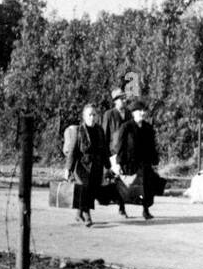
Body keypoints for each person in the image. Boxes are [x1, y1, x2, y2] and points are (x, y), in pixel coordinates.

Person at [66, 103, 108, 226]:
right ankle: (87, 215)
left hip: (96, 166)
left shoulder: (100, 130)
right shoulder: (78, 131)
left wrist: (109, 166)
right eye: (89, 115)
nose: (92, 117)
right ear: (84, 117)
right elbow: (73, 151)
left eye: (94, 115)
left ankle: (79, 213)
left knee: (92, 189)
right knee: (85, 188)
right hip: (81, 166)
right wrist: (68, 169)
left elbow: (104, 149)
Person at [117, 99, 160, 220]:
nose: (142, 113)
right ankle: (121, 207)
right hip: (129, 162)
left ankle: (146, 210)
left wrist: (155, 160)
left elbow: (152, 146)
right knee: (126, 186)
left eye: (143, 110)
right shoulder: (126, 127)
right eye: (139, 110)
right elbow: (120, 146)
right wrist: (119, 163)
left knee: (146, 186)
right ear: (133, 113)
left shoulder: (148, 128)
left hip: (144, 162)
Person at [103, 88, 131, 218]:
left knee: (125, 180)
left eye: (125, 98)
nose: (124, 101)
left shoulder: (130, 114)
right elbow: (105, 135)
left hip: (127, 153)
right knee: (118, 179)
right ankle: (121, 206)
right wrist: (106, 155)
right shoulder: (109, 115)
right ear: (115, 101)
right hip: (114, 152)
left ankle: (121, 204)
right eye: (121, 98)